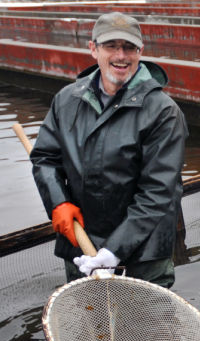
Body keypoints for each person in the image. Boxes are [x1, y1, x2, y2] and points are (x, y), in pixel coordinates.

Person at [30, 12, 188, 288]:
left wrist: (114, 250)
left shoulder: (164, 112)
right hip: (82, 243)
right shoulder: (66, 100)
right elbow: (45, 157)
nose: (121, 55)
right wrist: (58, 202)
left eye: (129, 47)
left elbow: (158, 191)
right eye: (111, 46)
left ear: (141, 51)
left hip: (145, 251)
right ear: (93, 48)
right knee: (93, 322)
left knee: (145, 324)